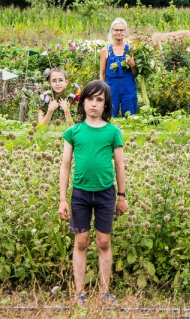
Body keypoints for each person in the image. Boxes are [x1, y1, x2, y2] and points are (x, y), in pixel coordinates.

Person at [58, 80, 128, 306]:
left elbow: (119, 166)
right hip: (80, 195)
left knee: (104, 241)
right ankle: (79, 293)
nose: (94, 104)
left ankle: (105, 291)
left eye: (99, 100)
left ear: (106, 104)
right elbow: (66, 166)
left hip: (106, 194)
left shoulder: (113, 132)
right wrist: (62, 199)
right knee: (81, 241)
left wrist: (122, 196)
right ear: (83, 102)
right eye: (90, 99)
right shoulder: (73, 131)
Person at [99, 18, 139, 118]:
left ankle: (131, 133)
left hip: (128, 86)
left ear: (125, 32)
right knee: (109, 116)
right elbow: (102, 73)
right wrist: (102, 90)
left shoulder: (131, 50)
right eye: (116, 30)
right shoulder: (106, 51)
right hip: (111, 87)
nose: (119, 32)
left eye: (121, 30)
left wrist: (133, 65)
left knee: (130, 116)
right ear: (112, 31)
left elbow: (135, 74)